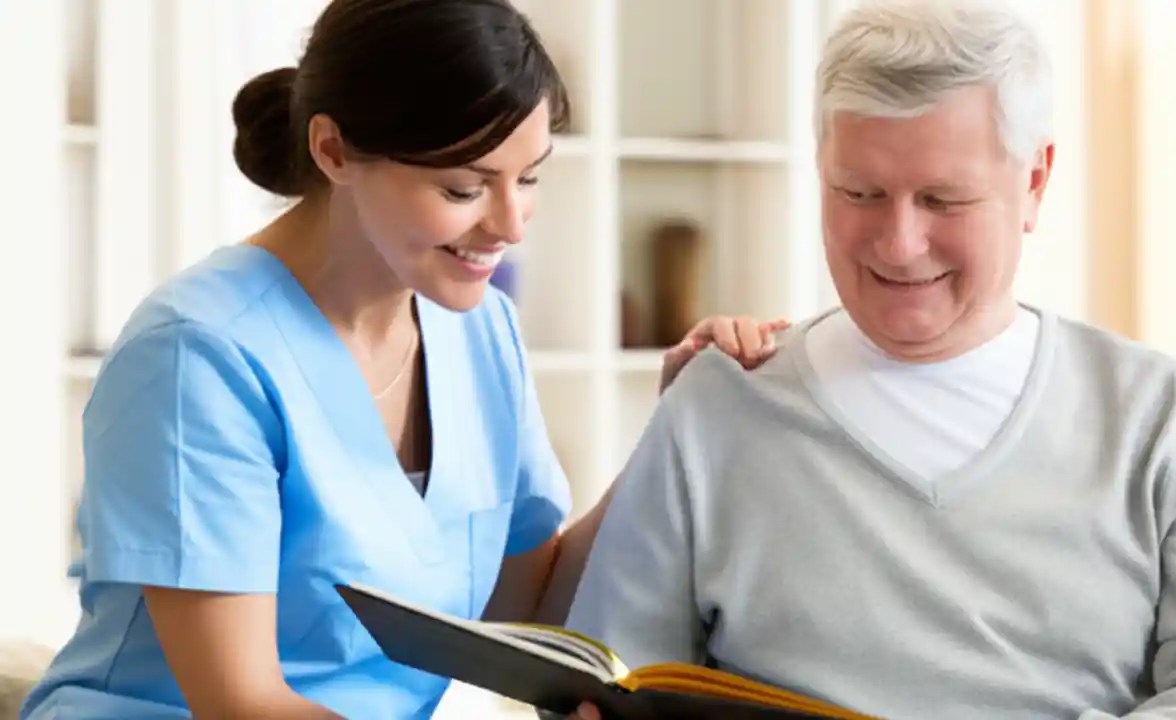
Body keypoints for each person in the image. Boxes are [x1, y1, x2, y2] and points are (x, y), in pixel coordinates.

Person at [18, 1, 785, 718]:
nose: (511, 224)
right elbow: (241, 705)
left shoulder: (481, 332)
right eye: (464, 187)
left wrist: (684, 422)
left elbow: (524, 604)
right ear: (333, 150)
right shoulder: (199, 355)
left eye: (531, 177)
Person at [562, 0, 1176, 718]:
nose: (899, 243)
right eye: (860, 193)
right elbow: (608, 679)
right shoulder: (717, 403)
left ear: (1034, 181)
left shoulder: (1152, 412)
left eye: (943, 199)